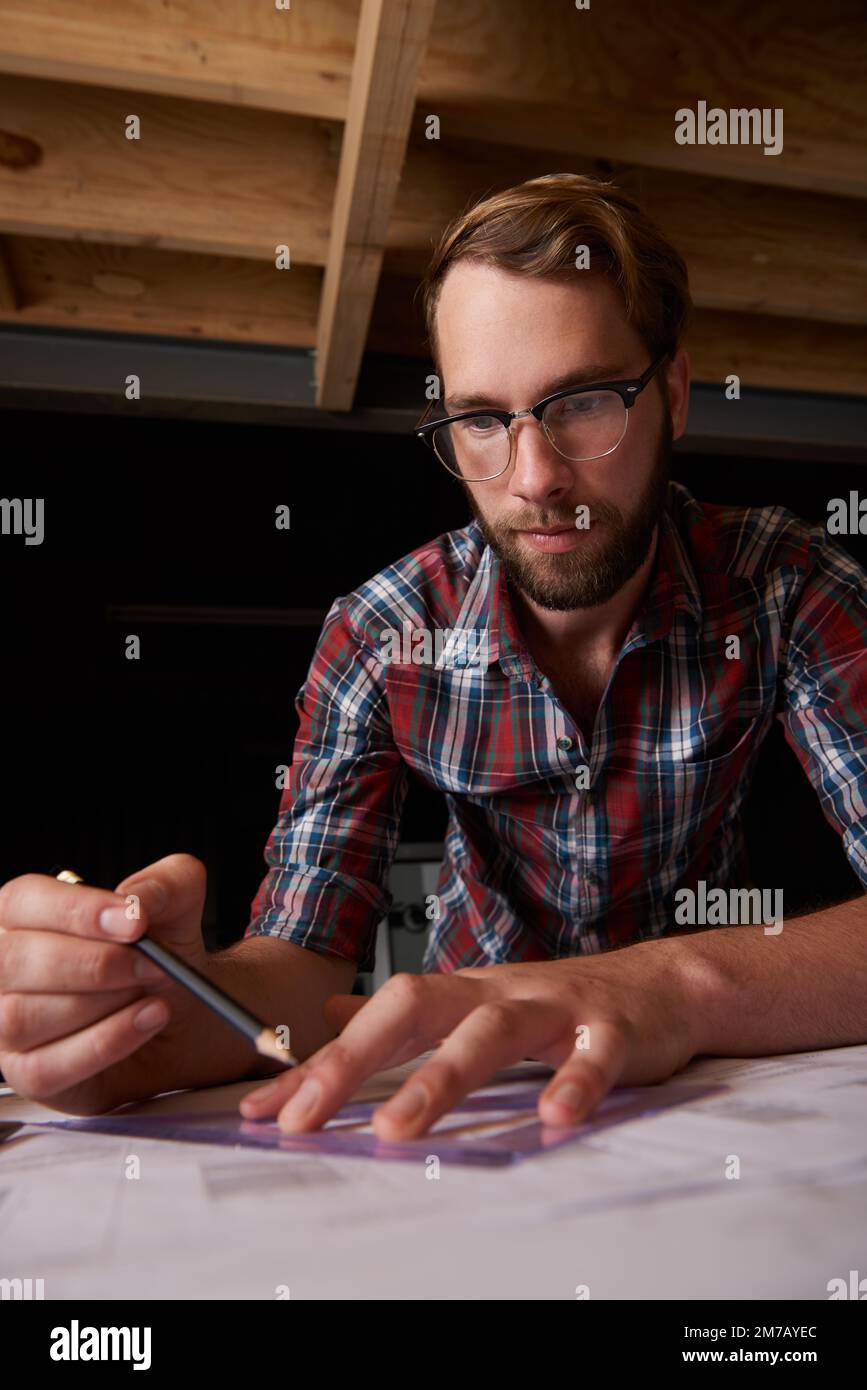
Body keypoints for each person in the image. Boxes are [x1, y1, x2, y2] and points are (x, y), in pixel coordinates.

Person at [1, 174, 865, 1140]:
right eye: (483, 420)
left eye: (580, 403)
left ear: (670, 393)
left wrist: (675, 982)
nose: (533, 478)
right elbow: (298, 961)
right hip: (465, 1085)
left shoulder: (788, 584)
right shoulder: (377, 632)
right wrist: (161, 1020)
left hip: (704, 1074)